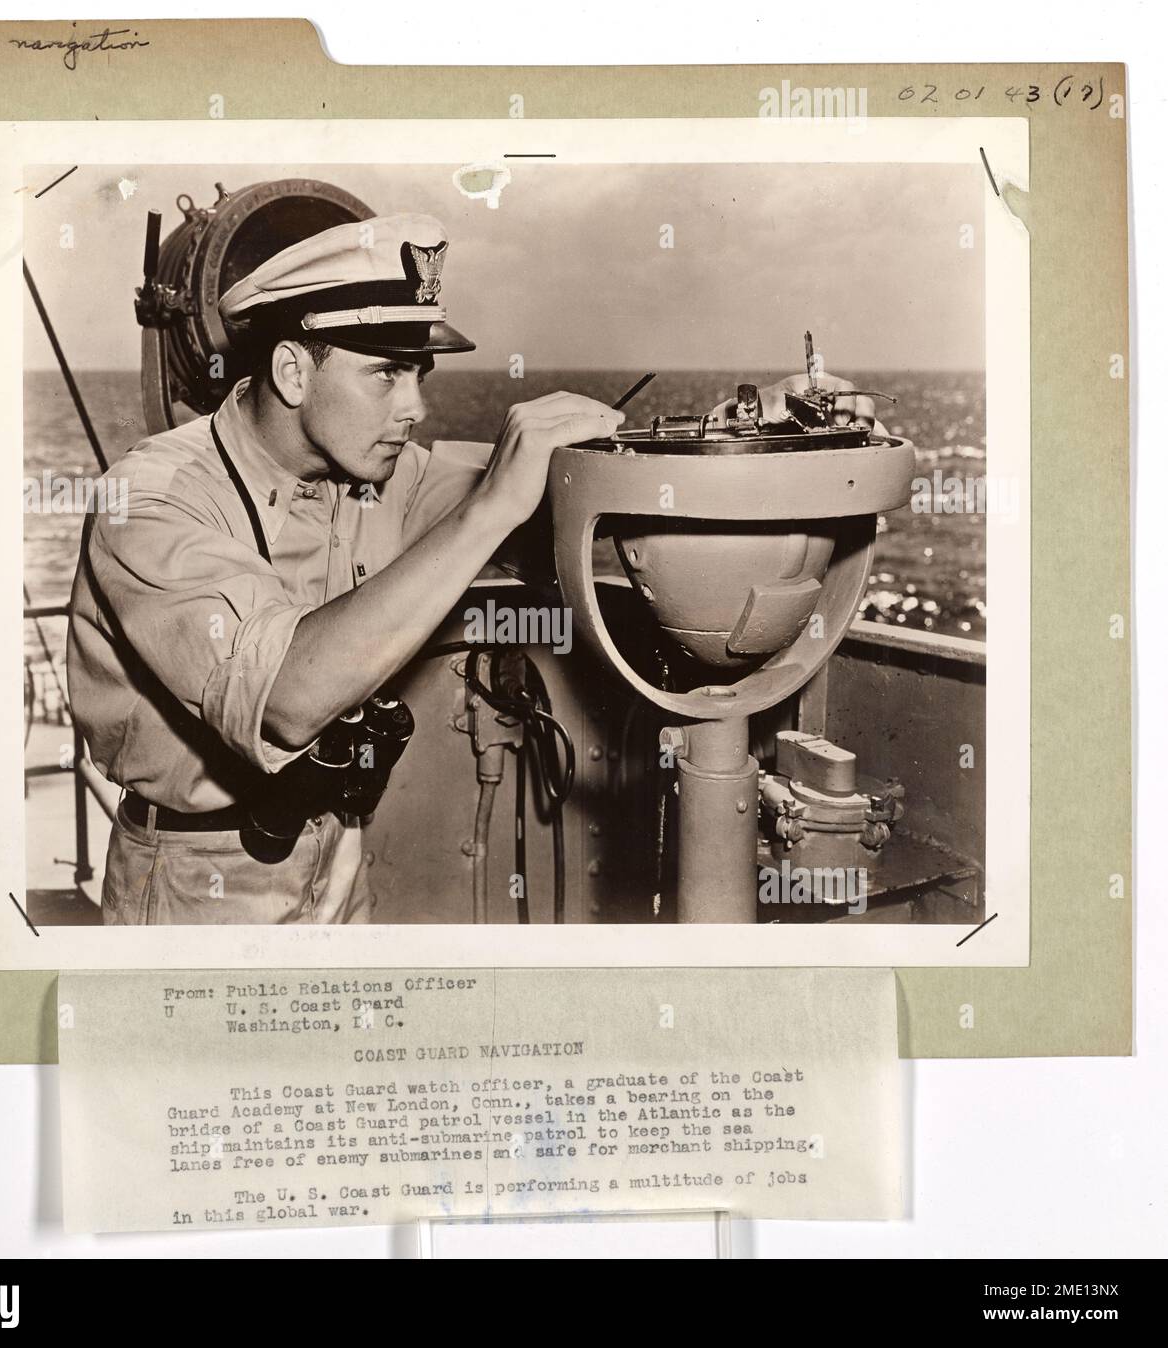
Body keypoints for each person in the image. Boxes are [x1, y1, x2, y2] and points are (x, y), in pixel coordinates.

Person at [67, 211, 873, 926]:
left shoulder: (381, 473)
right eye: (384, 373)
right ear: (291, 372)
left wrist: (752, 426)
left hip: (339, 858)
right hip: (195, 885)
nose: (414, 407)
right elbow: (285, 700)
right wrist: (488, 511)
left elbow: (576, 483)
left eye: (418, 374)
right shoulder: (150, 499)